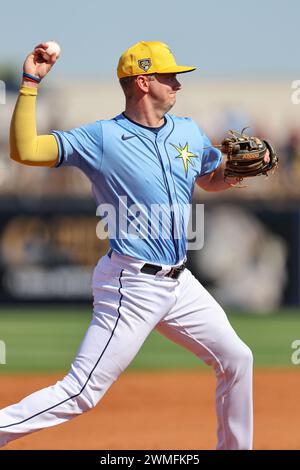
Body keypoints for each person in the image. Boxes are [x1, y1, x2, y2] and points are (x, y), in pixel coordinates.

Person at [0, 41, 255, 450]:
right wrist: (30, 83)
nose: (178, 84)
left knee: (238, 359)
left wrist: (237, 174)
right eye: (170, 76)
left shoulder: (187, 130)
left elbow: (209, 178)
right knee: (81, 391)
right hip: (132, 284)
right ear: (143, 82)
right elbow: (25, 150)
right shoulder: (102, 138)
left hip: (179, 283)